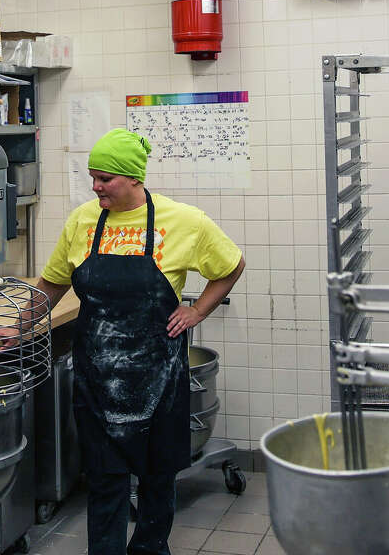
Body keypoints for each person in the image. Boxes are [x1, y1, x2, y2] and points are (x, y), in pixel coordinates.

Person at [37, 128, 244, 555]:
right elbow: (53, 283)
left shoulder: (184, 221)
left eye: (105, 179)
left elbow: (231, 265)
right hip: (97, 376)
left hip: (158, 379)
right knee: (104, 479)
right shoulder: (82, 221)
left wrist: (198, 310)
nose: (95, 187)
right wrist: (20, 321)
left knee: (157, 477)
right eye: (92, 177)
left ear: (133, 178)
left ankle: (151, 549)